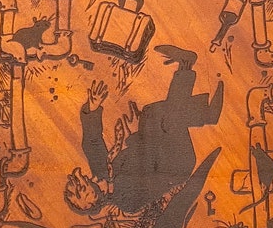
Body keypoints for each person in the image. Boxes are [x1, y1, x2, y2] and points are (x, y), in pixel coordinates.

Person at [64, 45, 223, 216]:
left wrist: (93, 108)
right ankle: (187, 67)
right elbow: (151, 171)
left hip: (155, 149)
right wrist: (140, 138)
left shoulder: (101, 174)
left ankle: (205, 112)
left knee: (151, 113)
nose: (89, 179)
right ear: (93, 202)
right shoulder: (127, 201)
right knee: (167, 121)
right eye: (83, 190)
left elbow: (92, 143)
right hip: (175, 164)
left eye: (82, 183)